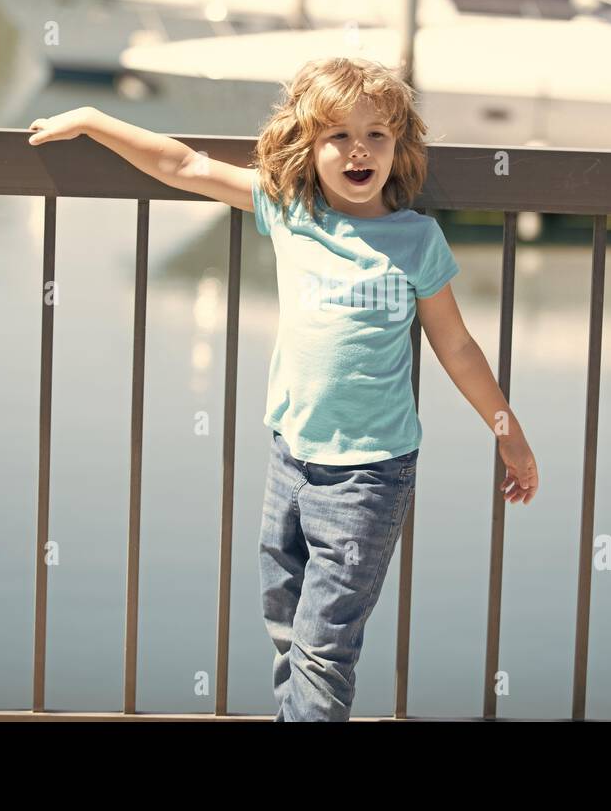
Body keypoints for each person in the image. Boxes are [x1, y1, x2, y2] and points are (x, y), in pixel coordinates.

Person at [27, 56, 539, 721]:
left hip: (370, 477)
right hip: (289, 460)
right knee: (288, 629)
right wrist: (93, 119)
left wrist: (510, 432)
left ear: (399, 145)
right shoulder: (292, 210)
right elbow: (185, 165)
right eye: (339, 137)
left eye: (376, 135)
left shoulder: (416, 240)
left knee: (324, 648)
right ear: (309, 145)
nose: (359, 151)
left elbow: (459, 347)